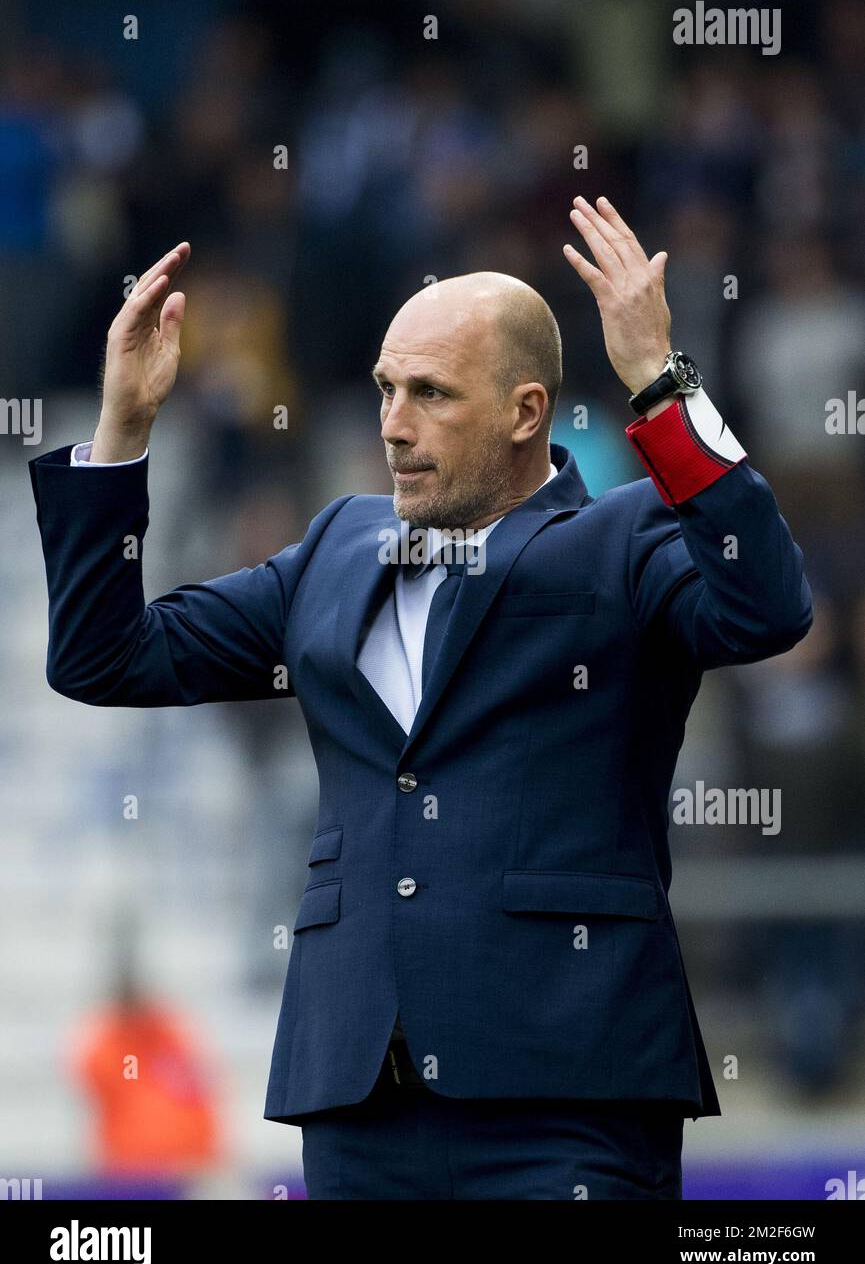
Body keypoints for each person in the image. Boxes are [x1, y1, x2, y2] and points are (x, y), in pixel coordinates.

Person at [30, 195, 812, 1200]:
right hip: (359, 1099)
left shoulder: (624, 539)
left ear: (526, 410)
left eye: (431, 394)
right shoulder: (335, 546)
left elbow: (769, 607)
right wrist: (124, 425)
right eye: (386, 390)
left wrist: (663, 386)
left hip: (568, 1099)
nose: (394, 425)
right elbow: (105, 658)